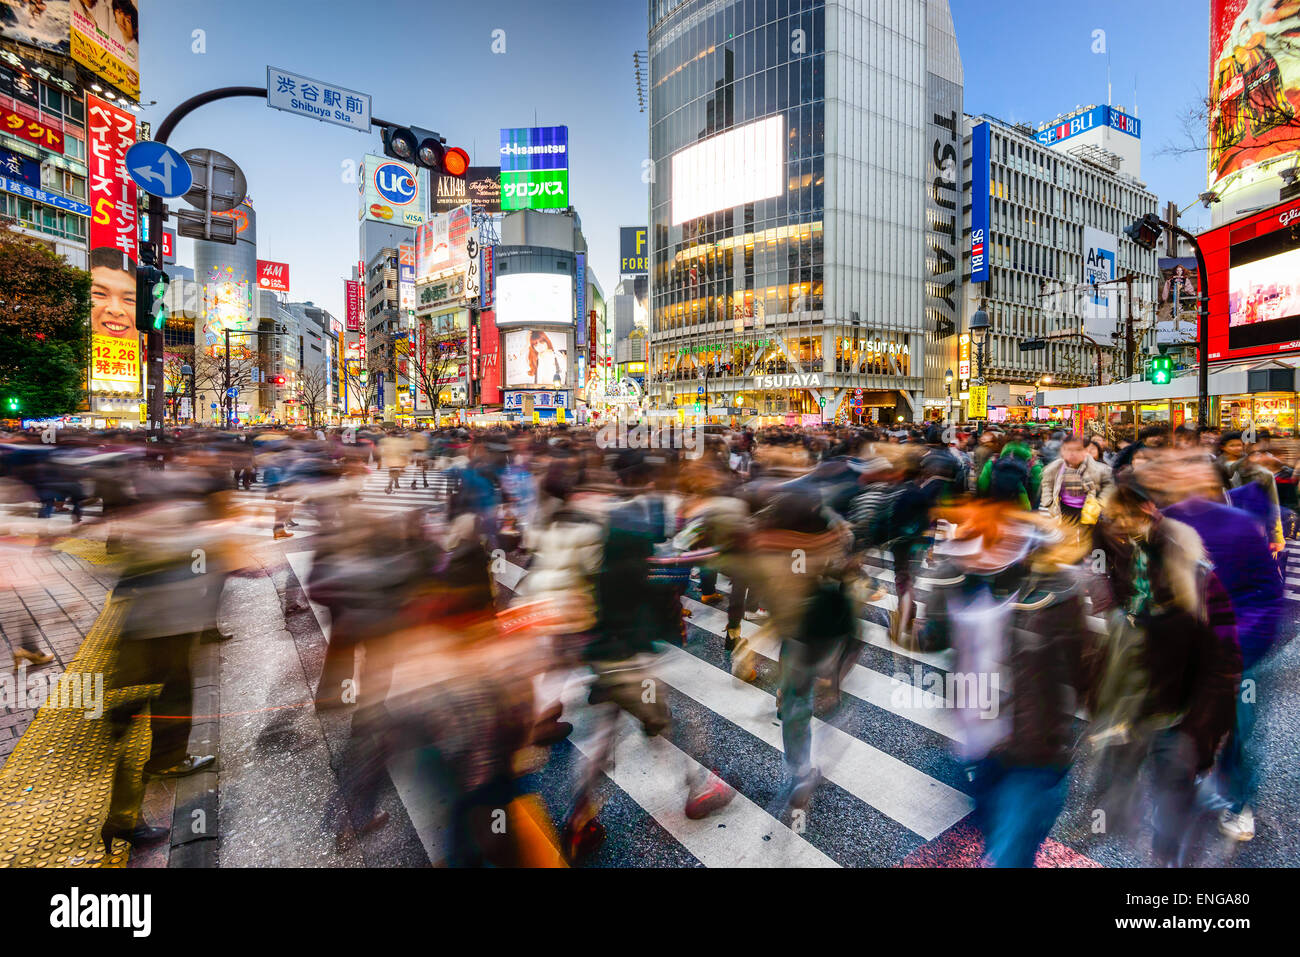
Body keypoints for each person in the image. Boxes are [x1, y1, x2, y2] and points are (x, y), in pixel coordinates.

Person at [1039, 435, 1114, 522]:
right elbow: (1047, 482)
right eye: (1068, 449)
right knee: (1067, 533)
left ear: (1085, 451)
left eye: (1078, 450)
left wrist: (1100, 504)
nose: (1073, 453)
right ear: (1062, 451)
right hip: (1064, 509)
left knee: (1088, 534)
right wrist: (1048, 501)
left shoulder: (1099, 469)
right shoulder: (1055, 468)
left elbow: (1109, 485)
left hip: (1090, 510)